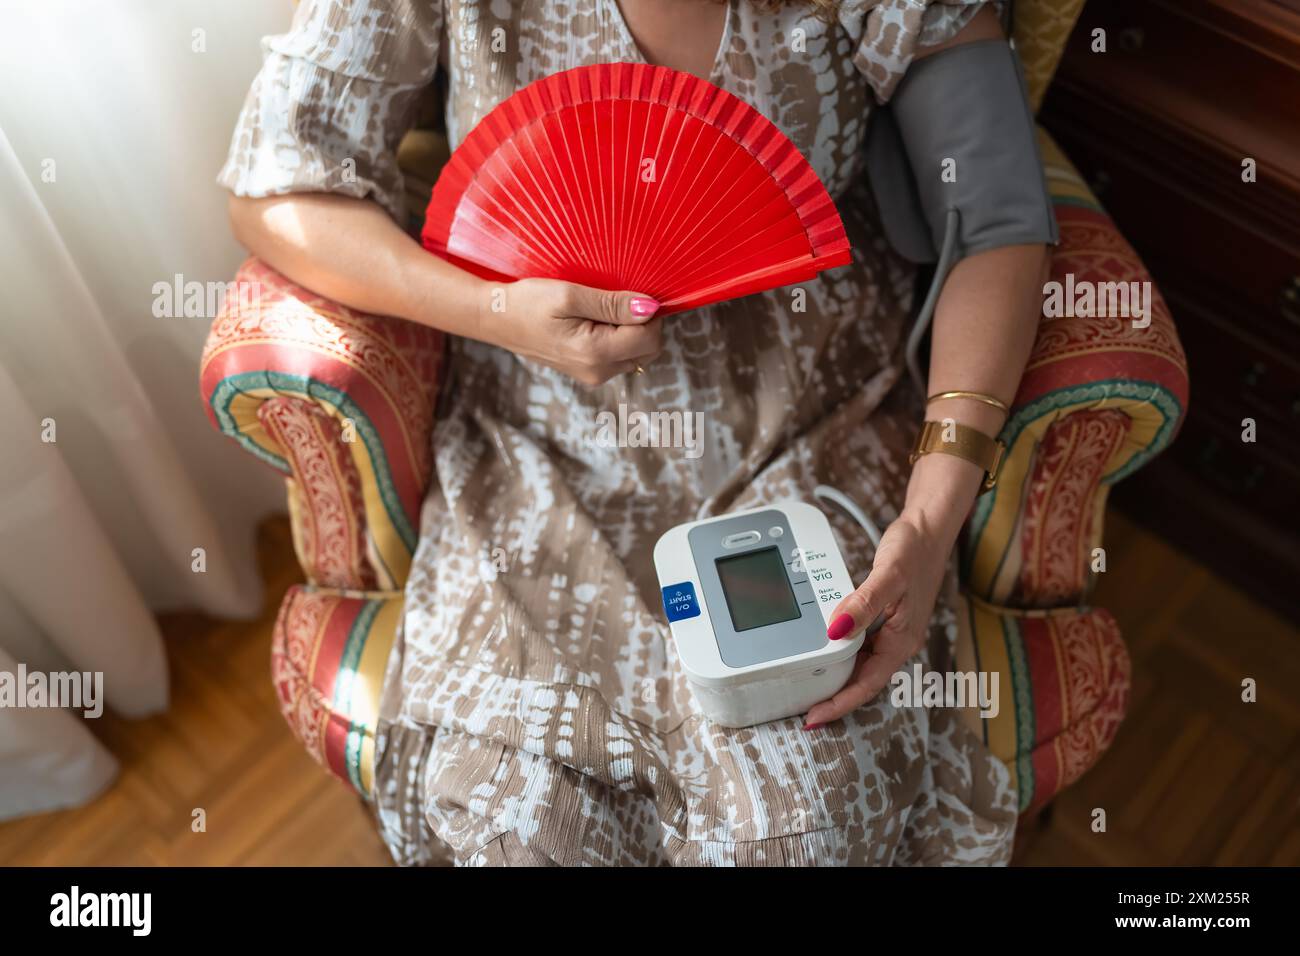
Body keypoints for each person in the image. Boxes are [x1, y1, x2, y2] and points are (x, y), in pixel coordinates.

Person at [221, 0, 1049, 865]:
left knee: (804, 822)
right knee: (520, 827)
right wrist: (492, 309)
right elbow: (277, 190)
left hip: (808, 410)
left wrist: (930, 513)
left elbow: (995, 220)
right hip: (544, 427)